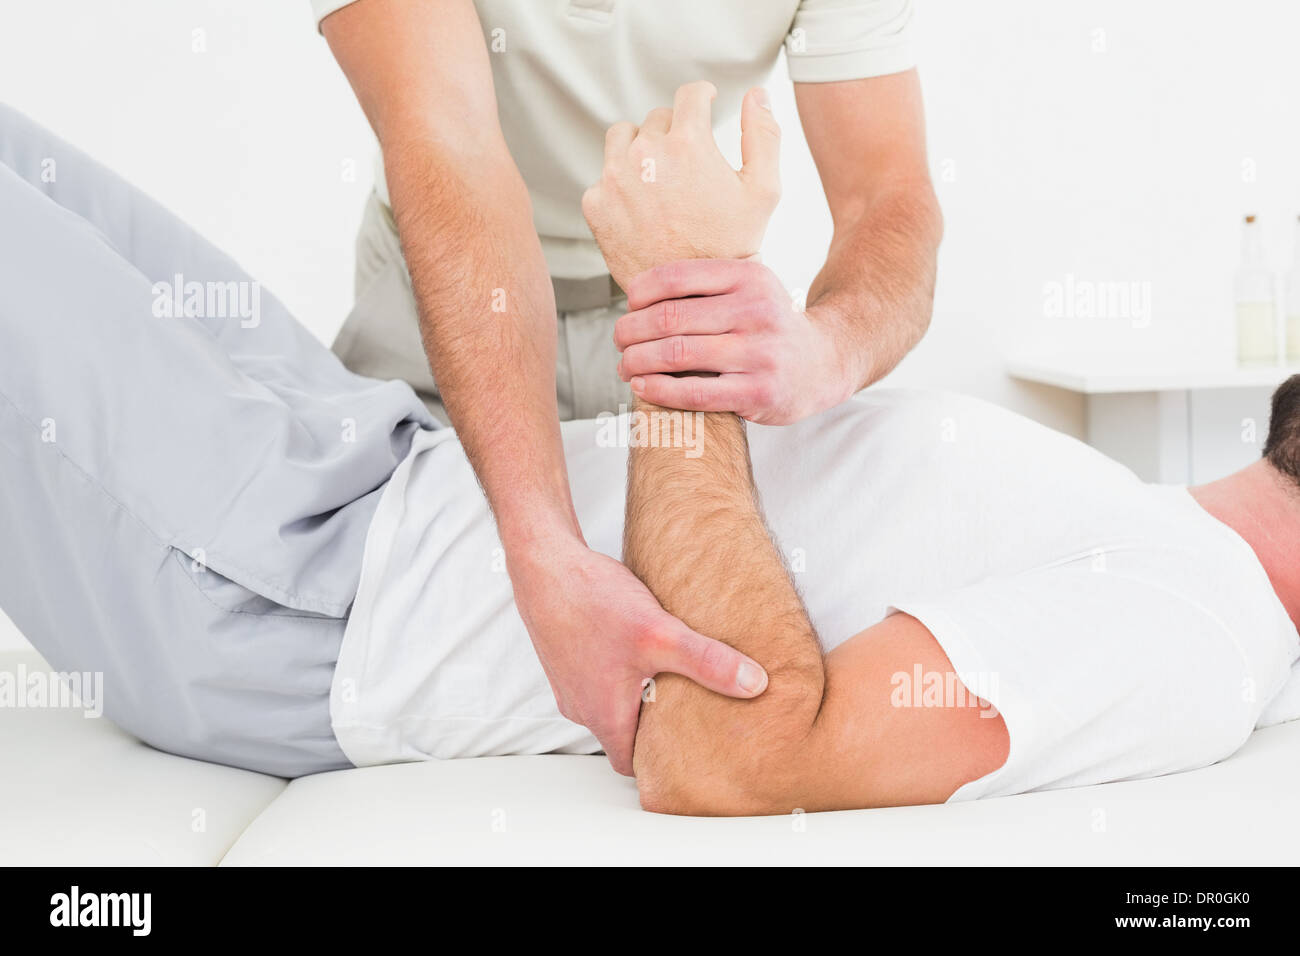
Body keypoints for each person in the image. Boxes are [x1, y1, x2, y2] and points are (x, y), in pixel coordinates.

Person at [0, 104, 1296, 815]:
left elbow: (739, 760)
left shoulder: (1198, 633)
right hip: (371, 468)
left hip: (302, 593)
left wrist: (681, 296)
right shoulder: (1156, 532)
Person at [311, 0, 944, 774]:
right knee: (387, 625)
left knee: (700, 652)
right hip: (449, 285)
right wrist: (539, 545)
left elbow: (887, 193)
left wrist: (827, 349)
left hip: (661, 284)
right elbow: (451, 145)